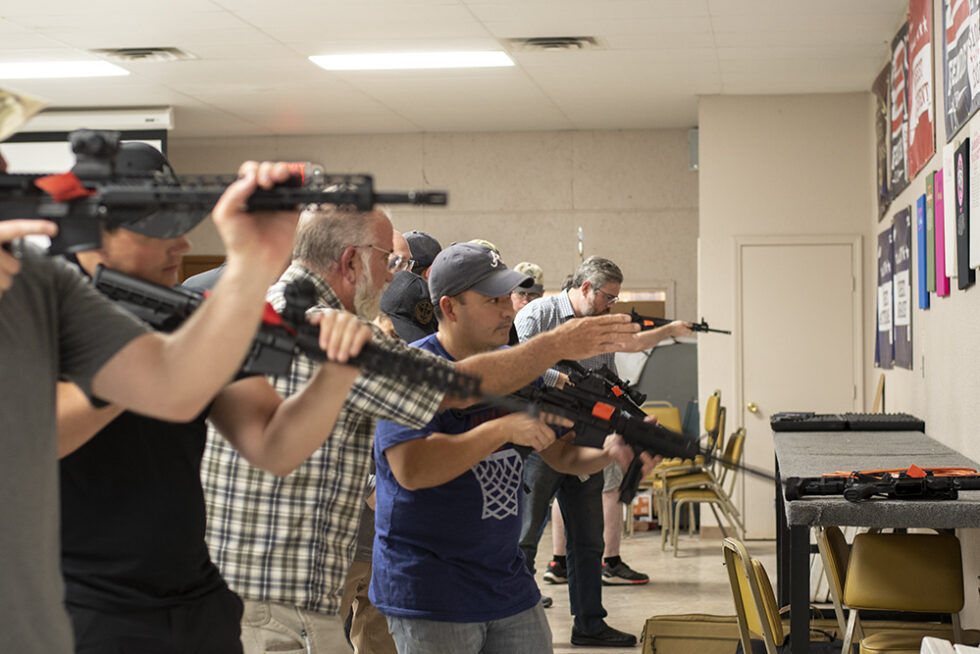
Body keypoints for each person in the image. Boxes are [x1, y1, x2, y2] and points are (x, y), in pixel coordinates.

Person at [200, 205, 643, 654]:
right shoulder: (332, 331)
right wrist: (556, 345)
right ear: (351, 260)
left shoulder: (262, 312)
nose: (394, 277)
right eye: (387, 260)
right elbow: (451, 385)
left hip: (257, 586)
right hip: (283, 596)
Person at [0, 154, 347, 654]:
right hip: (83, 609)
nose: (183, 245)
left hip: (195, 603)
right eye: (159, 229)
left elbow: (273, 443)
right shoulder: (37, 303)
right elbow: (38, 436)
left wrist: (336, 375)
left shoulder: (185, 316)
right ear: (92, 230)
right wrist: (140, 359)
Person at [370, 243, 657, 654]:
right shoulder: (410, 370)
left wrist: (612, 451)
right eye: (493, 301)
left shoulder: (520, 368)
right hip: (430, 589)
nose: (509, 310)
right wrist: (502, 429)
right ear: (450, 308)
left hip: (506, 583)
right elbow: (411, 469)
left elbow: (561, 455)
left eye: (509, 298)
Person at [515, 256, 692, 647]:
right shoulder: (538, 314)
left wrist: (631, 420)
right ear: (584, 289)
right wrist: (563, 381)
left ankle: (590, 624)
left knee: (589, 539)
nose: (612, 305)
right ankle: (514, 622)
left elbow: (607, 384)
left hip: (587, 442)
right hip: (540, 443)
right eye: (608, 297)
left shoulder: (600, 328)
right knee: (525, 538)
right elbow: (516, 365)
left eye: (616, 298)